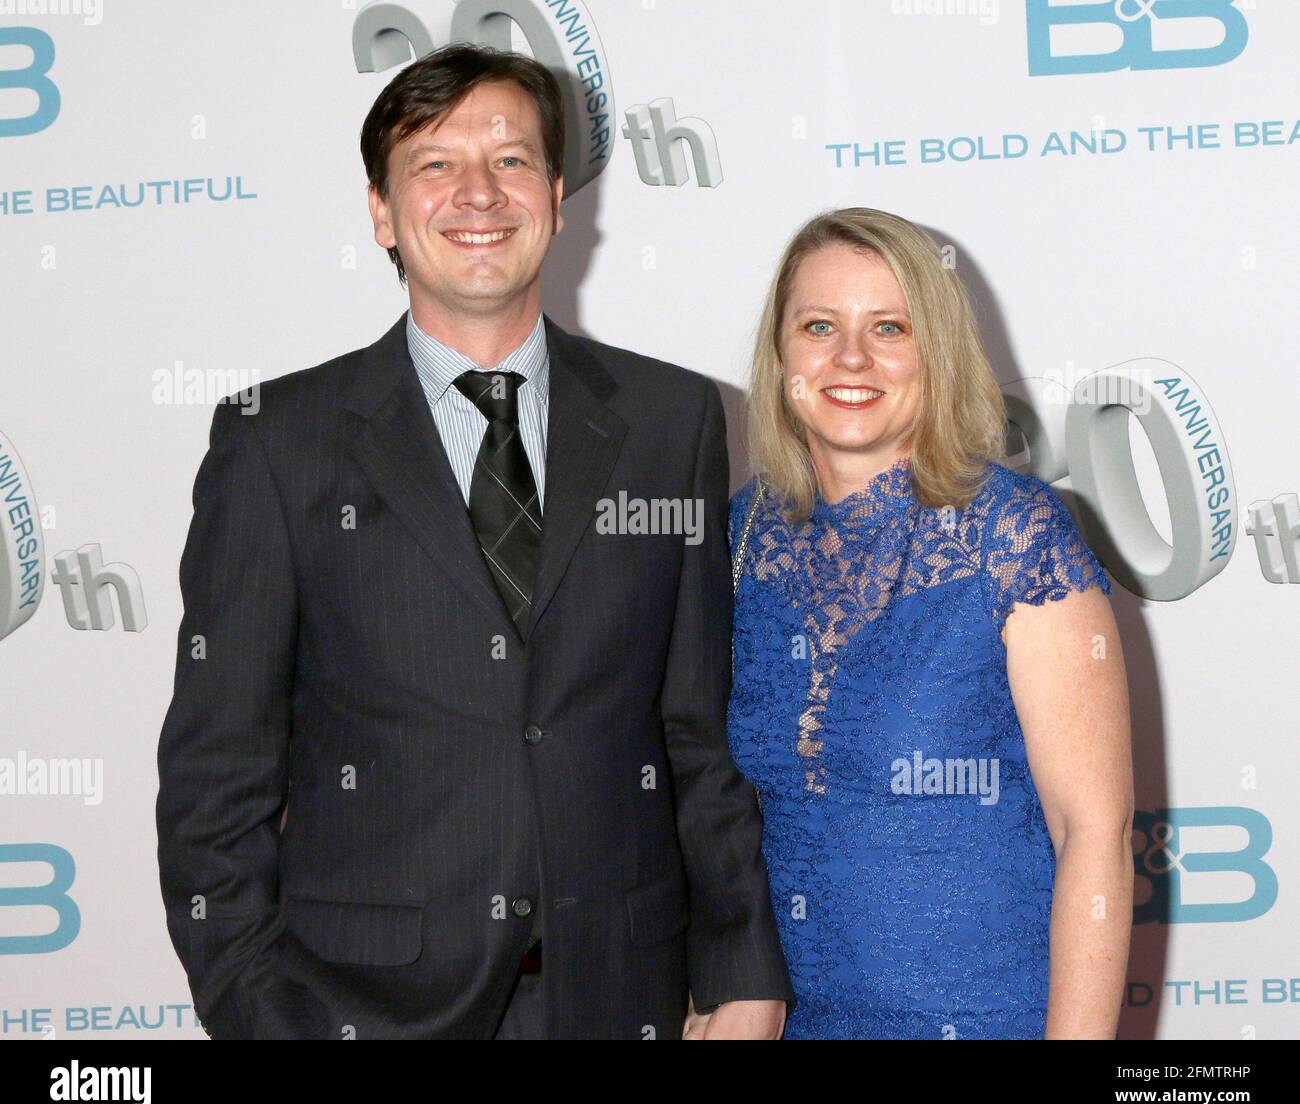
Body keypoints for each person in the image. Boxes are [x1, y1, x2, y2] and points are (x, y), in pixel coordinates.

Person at [155, 43, 792, 1040]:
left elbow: (695, 735)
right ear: (381, 212)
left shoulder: (674, 422)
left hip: (619, 992)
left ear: (555, 194)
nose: (477, 193)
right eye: (434, 165)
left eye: (508, 161)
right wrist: (258, 1014)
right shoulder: (276, 441)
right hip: (364, 1008)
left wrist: (746, 966)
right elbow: (215, 779)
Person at [725, 207, 1134, 1039]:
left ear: (936, 353)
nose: (851, 358)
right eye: (818, 326)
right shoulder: (737, 542)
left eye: (889, 327)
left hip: (990, 1018)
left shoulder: (1015, 535)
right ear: (780, 355)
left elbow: (1095, 832)